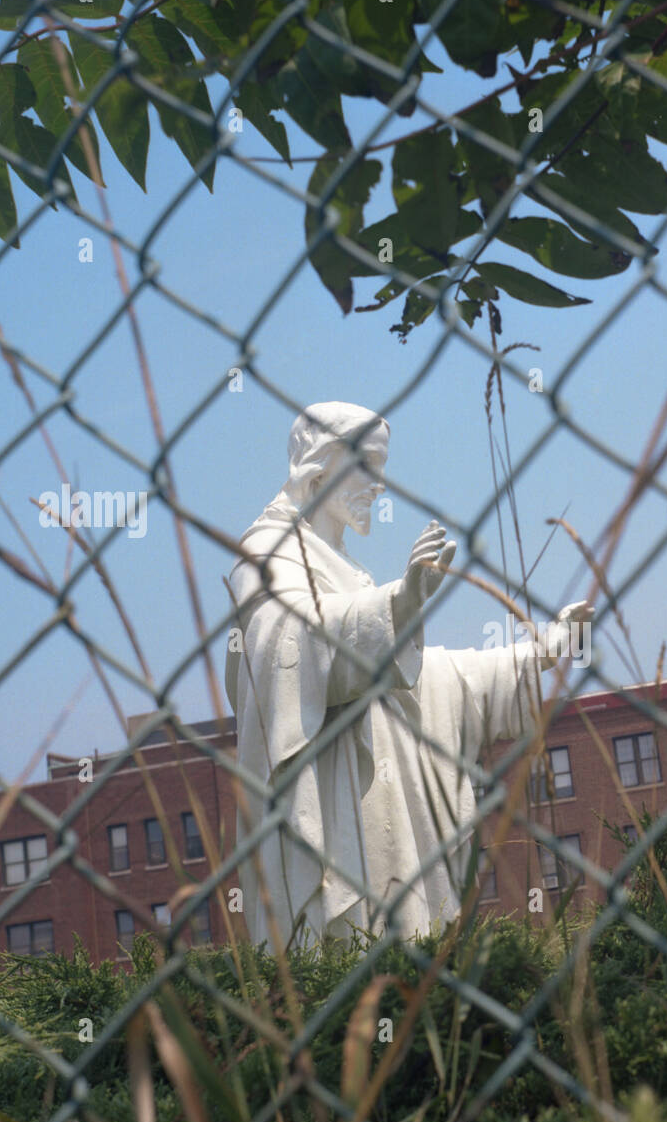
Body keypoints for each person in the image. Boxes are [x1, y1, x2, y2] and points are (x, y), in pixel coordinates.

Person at [225, 400, 592, 949]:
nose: (379, 486)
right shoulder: (267, 551)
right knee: (350, 962)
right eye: (368, 465)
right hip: (335, 800)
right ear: (320, 467)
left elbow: (425, 679)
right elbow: (284, 642)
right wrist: (393, 606)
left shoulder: (345, 569)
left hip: (383, 806)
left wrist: (531, 655)